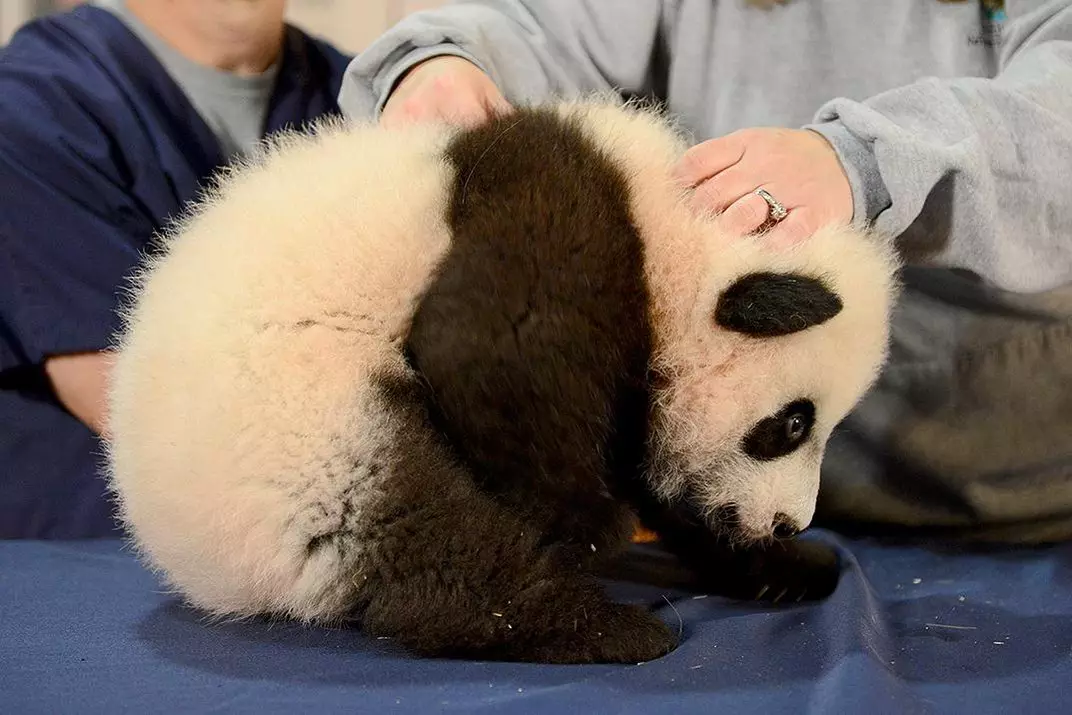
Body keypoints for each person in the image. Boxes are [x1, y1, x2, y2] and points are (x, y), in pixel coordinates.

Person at [337, 0, 1072, 543]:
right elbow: (537, 21)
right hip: (730, 497)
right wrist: (440, 60)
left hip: (1015, 485)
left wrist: (865, 159)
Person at [0, 0, 351, 538]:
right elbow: (146, 409)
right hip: (93, 569)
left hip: (336, 546)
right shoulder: (35, 106)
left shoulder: (361, 95)